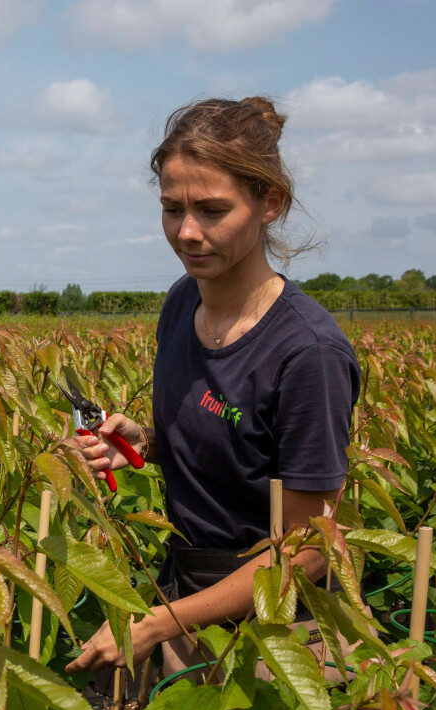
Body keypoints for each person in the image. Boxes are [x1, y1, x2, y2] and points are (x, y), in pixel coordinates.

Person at [65, 97, 361, 680]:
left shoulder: (307, 353)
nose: (187, 232)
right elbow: (231, 443)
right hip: (190, 596)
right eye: (172, 209)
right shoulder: (183, 302)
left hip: (282, 634)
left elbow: (308, 550)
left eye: (212, 210)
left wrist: (159, 622)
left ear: (270, 203)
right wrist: (147, 443)